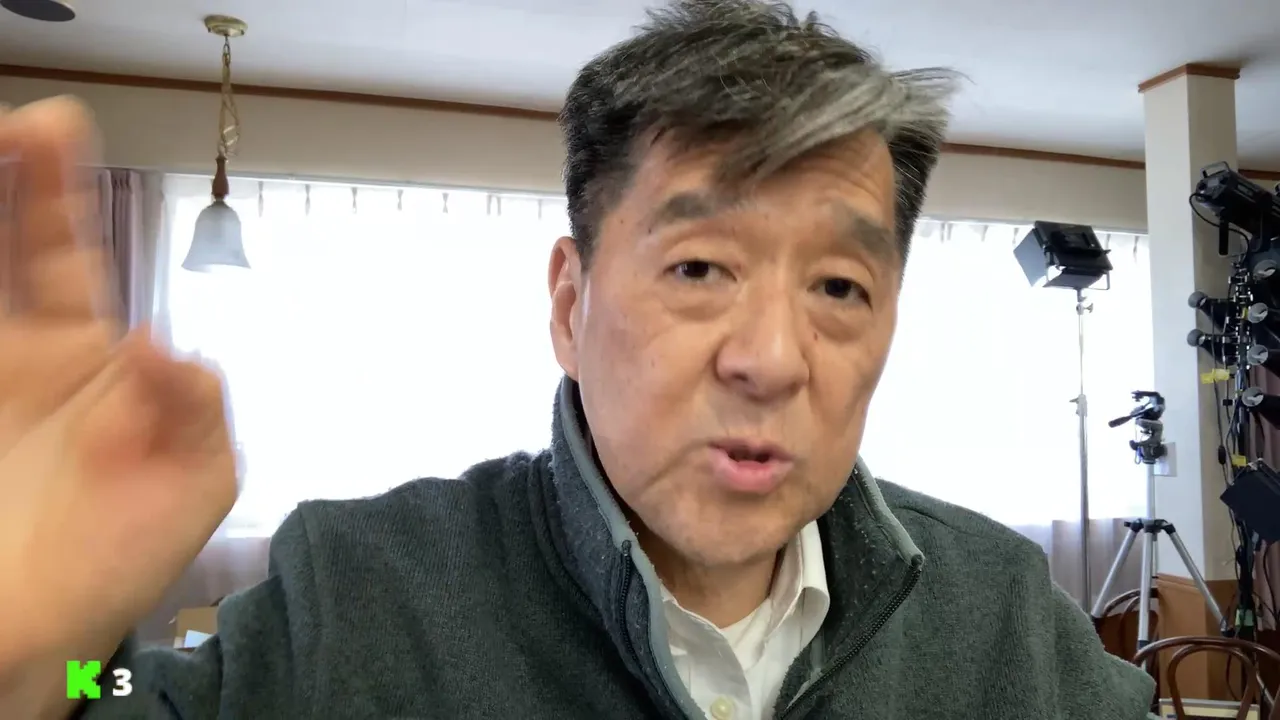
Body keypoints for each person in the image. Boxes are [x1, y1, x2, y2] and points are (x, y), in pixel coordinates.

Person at [0, 1, 1156, 718]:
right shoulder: (356, 593)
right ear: (569, 302)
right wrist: (40, 658)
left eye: (838, 288)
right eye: (698, 268)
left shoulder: (1006, 620)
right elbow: (111, 690)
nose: (769, 359)